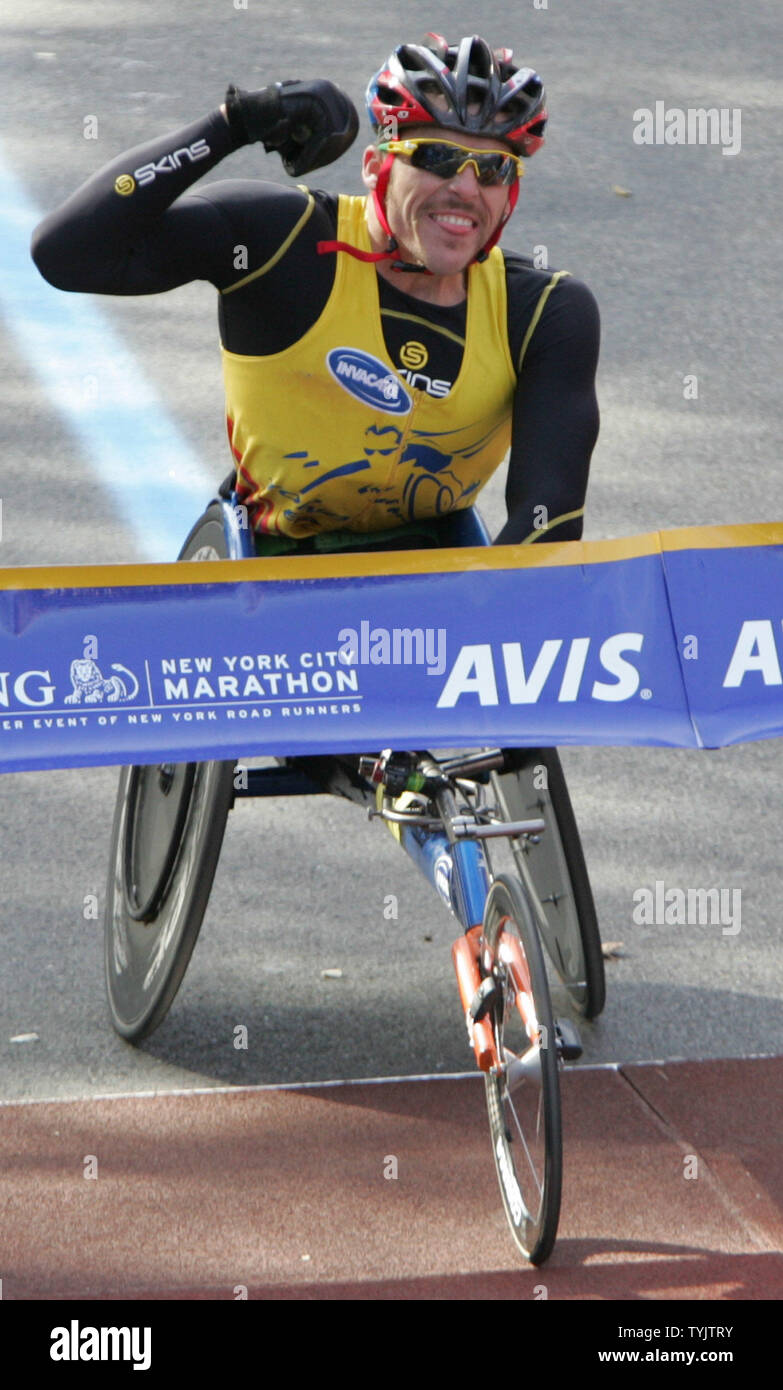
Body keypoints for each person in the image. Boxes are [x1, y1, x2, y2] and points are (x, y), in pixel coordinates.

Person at [31, 33, 600, 555]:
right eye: (437, 158)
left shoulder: (547, 313)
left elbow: (547, 526)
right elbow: (66, 253)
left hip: (430, 588)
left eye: (493, 169)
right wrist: (232, 124)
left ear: (510, 195)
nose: (465, 189)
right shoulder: (283, 242)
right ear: (376, 167)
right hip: (260, 568)